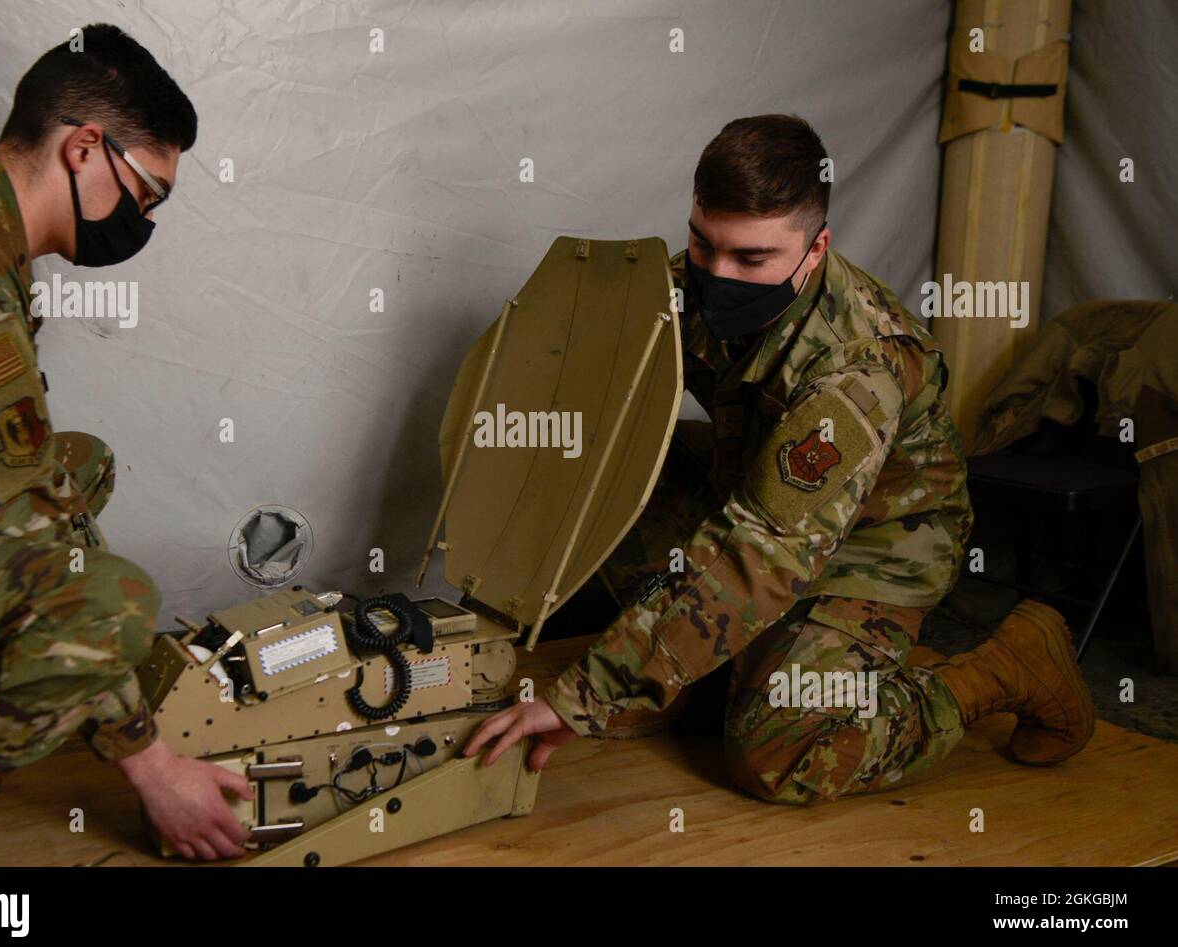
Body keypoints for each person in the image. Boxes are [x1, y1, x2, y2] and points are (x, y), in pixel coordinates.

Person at [464, 114, 1095, 804]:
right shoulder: (690, 286)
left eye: (752, 259)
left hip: (875, 546)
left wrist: (584, 695)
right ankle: (700, 671)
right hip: (759, 492)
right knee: (592, 454)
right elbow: (587, 363)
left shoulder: (857, 372)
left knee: (773, 750)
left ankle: (1005, 667)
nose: (718, 274)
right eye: (703, 244)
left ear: (815, 247)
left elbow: (760, 551)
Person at [0, 24, 251, 865]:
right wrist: (153, 763)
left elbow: (35, 482)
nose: (143, 221)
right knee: (109, 603)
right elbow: (29, 529)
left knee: (79, 464)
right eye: (147, 193)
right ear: (86, 147)